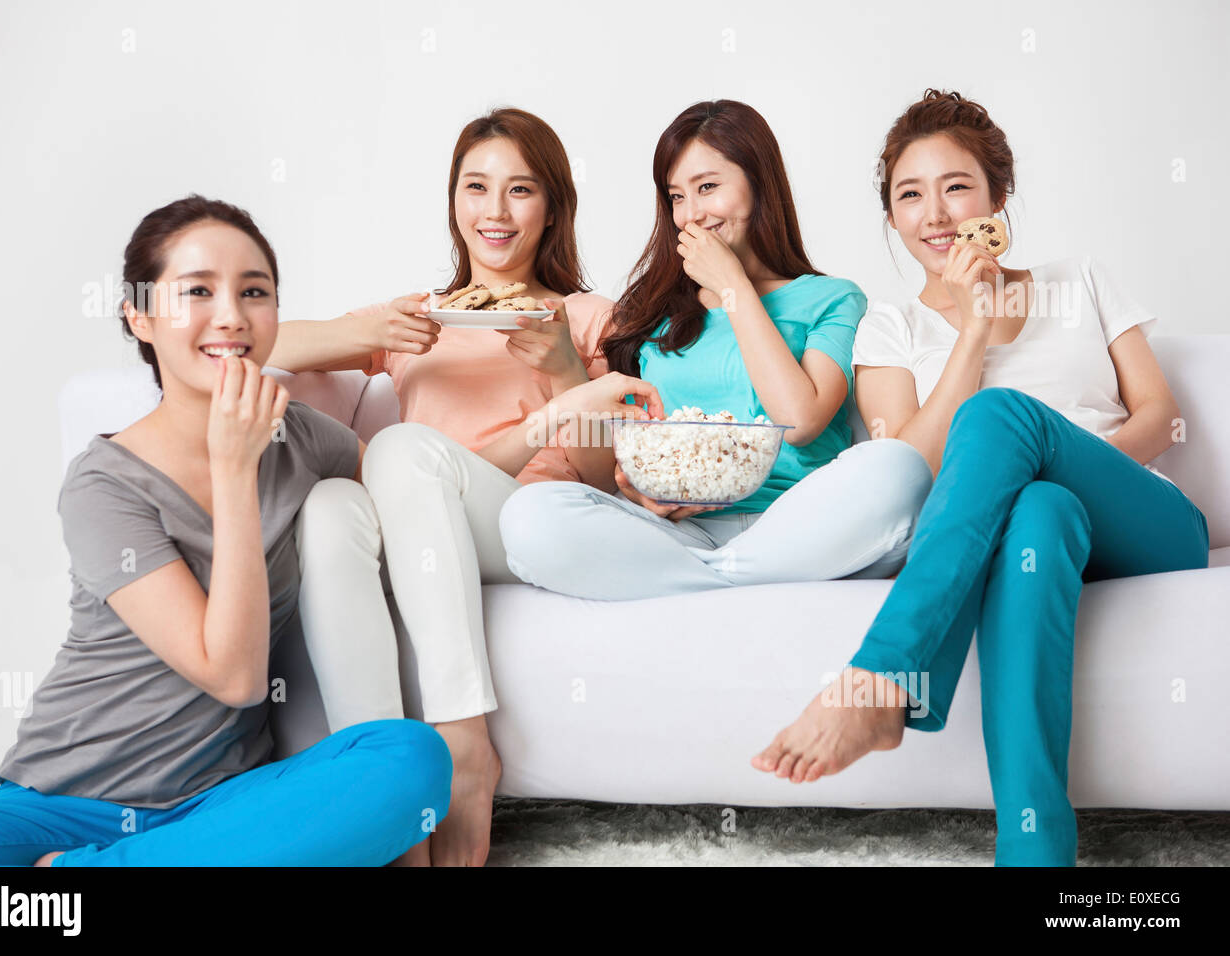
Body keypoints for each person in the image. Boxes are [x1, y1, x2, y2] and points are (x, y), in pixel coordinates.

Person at [752, 90, 1210, 867]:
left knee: (1004, 421)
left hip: (1145, 520)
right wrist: (971, 326)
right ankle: (1036, 855)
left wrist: (1064, 448)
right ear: (892, 217)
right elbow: (916, 471)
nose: (934, 213)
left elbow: (1162, 417)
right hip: (1034, 525)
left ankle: (883, 680)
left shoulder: (1081, 279)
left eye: (956, 186)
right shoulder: (890, 329)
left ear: (999, 197)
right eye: (909, 194)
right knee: (1038, 510)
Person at [0, 195, 451, 866]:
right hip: (57, 806)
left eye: (254, 291)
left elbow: (419, 492)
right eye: (197, 291)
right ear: (140, 317)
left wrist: (551, 426)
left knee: (409, 760)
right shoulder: (103, 484)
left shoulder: (301, 438)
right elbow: (230, 676)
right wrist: (234, 468)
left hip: (219, 808)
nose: (231, 315)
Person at [265, 107, 654, 865]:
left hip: (520, 525)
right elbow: (256, 341)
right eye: (476, 188)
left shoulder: (584, 316)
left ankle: (465, 748)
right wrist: (372, 335)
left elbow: (611, 486)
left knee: (405, 450)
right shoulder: (421, 316)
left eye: (520, 191)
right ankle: (376, 785)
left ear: (551, 209)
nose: (495, 212)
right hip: (415, 525)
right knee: (329, 503)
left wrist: (566, 375)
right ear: (454, 201)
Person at [497, 99, 933, 600]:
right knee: (530, 515)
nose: (692, 214)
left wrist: (735, 290)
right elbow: (633, 449)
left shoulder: (832, 297)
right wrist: (638, 485)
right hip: (682, 532)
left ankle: (701, 583)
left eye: (708, 187)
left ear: (759, 182)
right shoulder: (650, 312)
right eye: (677, 196)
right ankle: (735, 577)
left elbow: (802, 418)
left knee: (896, 470)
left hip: (798, 520)